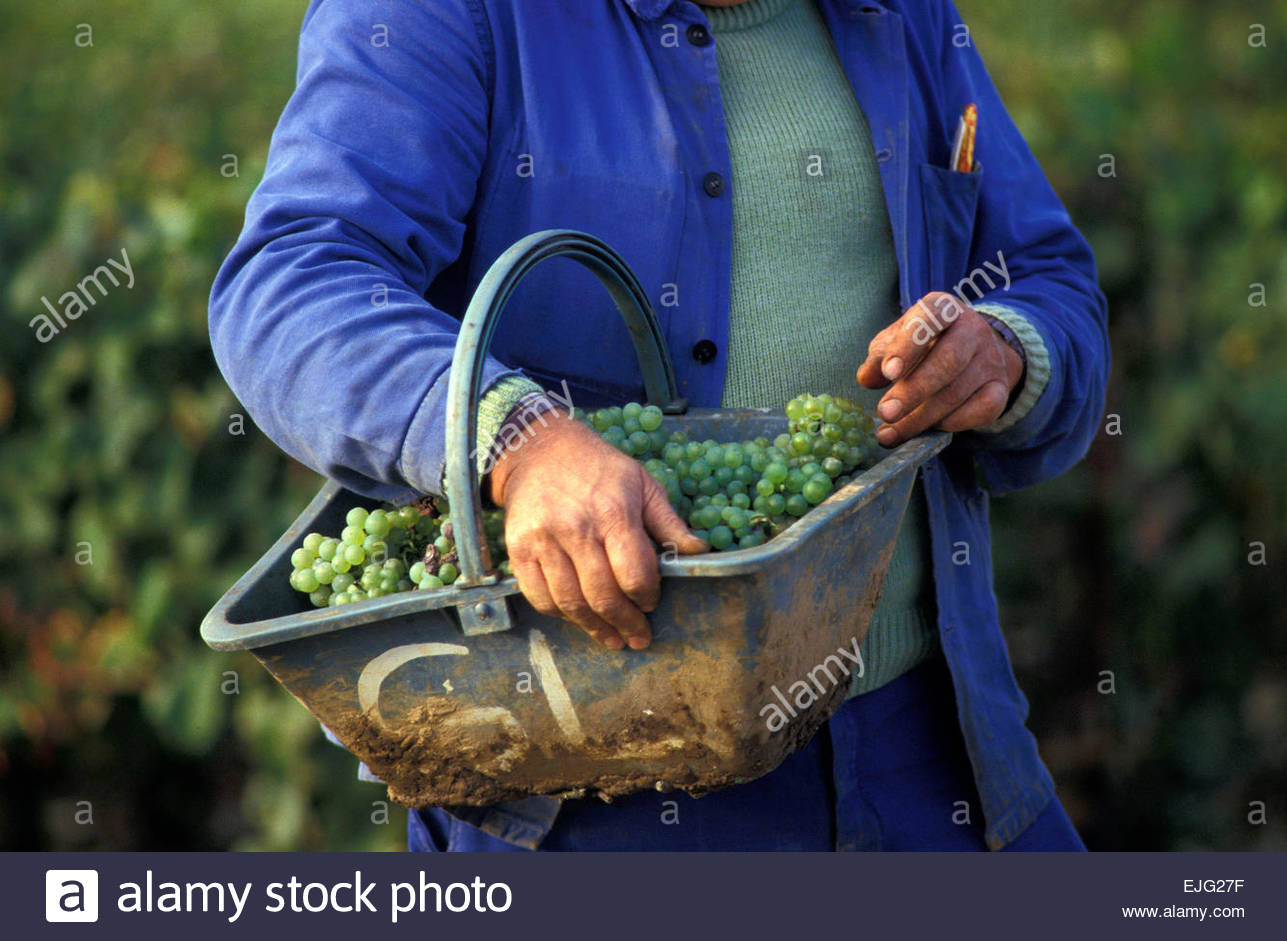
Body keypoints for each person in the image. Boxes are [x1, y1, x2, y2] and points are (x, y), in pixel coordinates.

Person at [210, 0, 1108, 851]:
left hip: (937, 747)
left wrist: (1008, 351)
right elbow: (291, 281)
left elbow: (1047, 275)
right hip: (594, 775)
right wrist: (516, 438)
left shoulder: (903, 15)